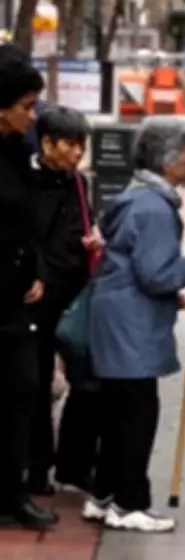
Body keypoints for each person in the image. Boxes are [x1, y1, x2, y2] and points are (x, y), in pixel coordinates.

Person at [82, 119, 185, 532]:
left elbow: (129, 259)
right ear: (168, 159)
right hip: (132, 328)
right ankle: (130, 505)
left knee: (116, 412)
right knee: (137, 415)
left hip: (116, 317)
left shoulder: (133, 197)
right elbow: (156, 273)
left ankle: (103, 496)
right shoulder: (156, 208)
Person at [26, 106, 102, 496]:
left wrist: (90, 241)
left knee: (88, 382)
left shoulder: (77, 183)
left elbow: (81, 226)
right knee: (36, 385)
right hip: (35, 299)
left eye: (82, 145)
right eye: (71, 145)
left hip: (75, 297)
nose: (77, 154)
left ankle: (74, 465)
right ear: (47, 143)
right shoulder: (23, 180)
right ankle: (37, 469)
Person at [0, 46, 58, 529]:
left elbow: (29, 222)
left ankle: (12, 492)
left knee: (23, 388)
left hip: (15, 299)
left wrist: (36, 268)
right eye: (26, 106)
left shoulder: (21, 150)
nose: (33, 115)